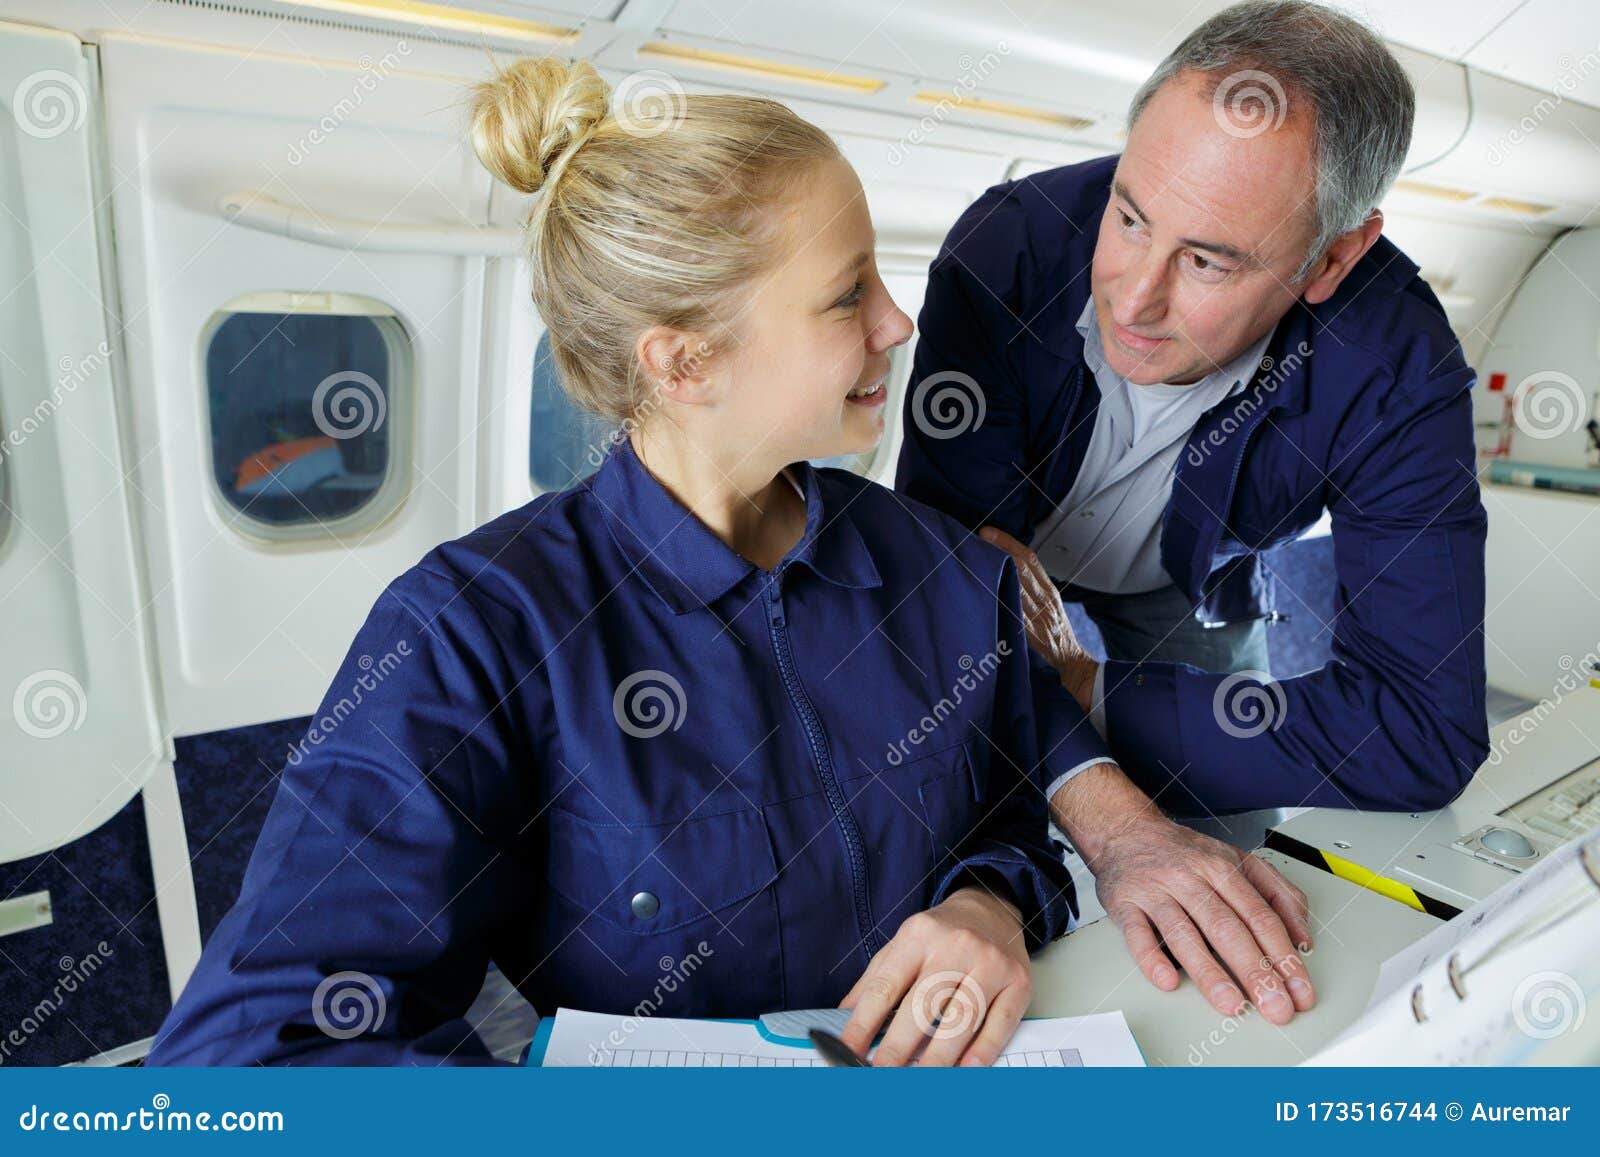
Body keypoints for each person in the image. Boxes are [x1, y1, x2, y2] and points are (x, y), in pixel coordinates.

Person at [146, 55, 1167, 1068]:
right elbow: (251, 1055)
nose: (896, 324)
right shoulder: (479, 626)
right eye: (846, 294)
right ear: (683, 360)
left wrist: (987, 905)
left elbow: (1013, 825)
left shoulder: (947, 570)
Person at [897, 0, 1487, 999]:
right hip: (1010, 564)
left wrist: (1091, 697)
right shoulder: (1010, 245)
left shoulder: (1395, 360)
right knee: (941, 756)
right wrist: (1092, 805)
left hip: (1188, 583)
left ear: (1332, 257)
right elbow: (954, 598)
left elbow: (1422, 730)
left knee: (1220, 881)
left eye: (1208, 260)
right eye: (1130, 217)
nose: (1132, 299)